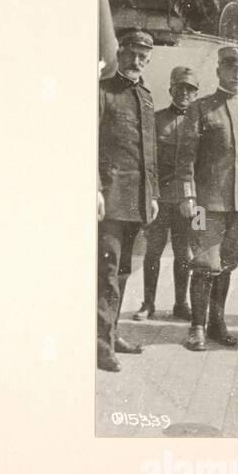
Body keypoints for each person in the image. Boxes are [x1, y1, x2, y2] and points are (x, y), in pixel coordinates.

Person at [175, 46, 238, 351]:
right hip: (206, 203)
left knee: (227, 264)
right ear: (219, 71)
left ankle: (217, 323)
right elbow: (185, 158)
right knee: (204, 263)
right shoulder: (200, 108)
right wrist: (188, 196)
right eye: (231, 69)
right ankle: (197, 327)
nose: (237, 75)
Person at [97, 29, 159, 372]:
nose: (137, 61)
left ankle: (112, 333)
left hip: (137, 200)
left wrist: (153, 196)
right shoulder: (104, 92)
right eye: (132, 53)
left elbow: (149, 153)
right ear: (120, 53)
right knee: (106, 272)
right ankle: (100, 345)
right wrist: (94, 189)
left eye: (143, 56)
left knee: (121, 272)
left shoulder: (146, 97)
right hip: (110, 196)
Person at [133, 66, 198, 322]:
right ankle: (148, 303)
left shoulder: (200, 120)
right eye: (179, 88)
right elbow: (148, 162)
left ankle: (181, 304)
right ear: (171, 89)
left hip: (188, 202)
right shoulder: (157, 119)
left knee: (185, 254)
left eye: (190, 89)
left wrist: (193, 198)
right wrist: (151, 196)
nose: (184, 93)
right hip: (160, 200)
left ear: (195, 94)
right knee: (153, 252)